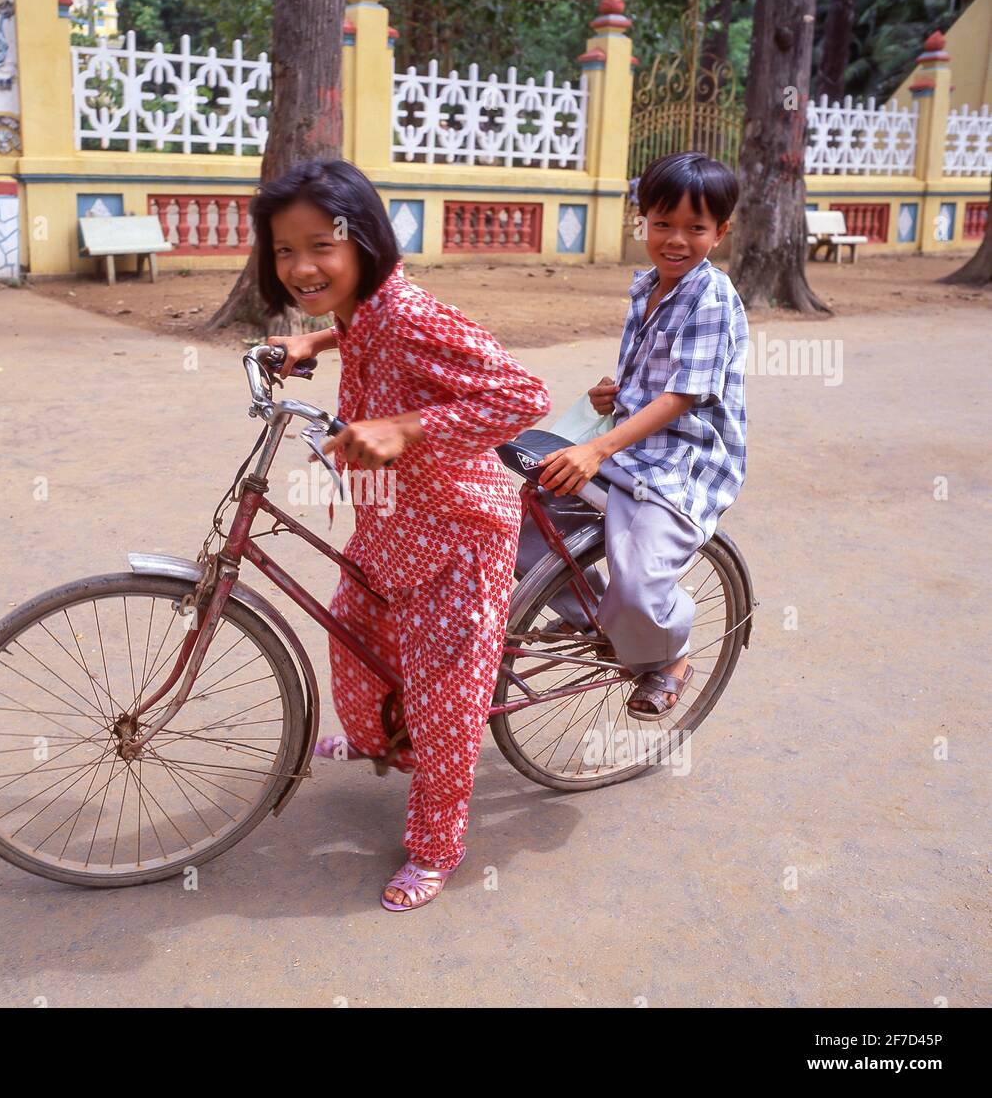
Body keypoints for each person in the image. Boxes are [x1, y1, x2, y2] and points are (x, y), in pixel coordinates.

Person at [258, 159, 550, 911]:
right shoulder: (363, 311)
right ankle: (380, 739)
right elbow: (364, 331)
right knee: (354, 627)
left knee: (445, 699)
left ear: (363, 241)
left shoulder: (412, 314)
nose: (301, 266)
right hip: (390, 518)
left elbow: (526, 394)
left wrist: (405, 426)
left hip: (458, 531)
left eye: (320, 245)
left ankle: (435, 847)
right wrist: (317, 344)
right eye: (284, 249)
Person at [518, 151, 748, 719]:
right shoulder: (647, 285)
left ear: (721, 231)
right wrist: (614, 393)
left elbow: (682, 397)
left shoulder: (710, 295)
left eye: (695, 228)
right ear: (641, 220)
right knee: (522, 517)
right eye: (663, 223)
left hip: (683, 461)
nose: (676, 239)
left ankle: (669, 657)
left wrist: (597, 447)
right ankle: (600, 623)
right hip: (629, 445)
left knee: (642, 581)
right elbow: (653, 381)